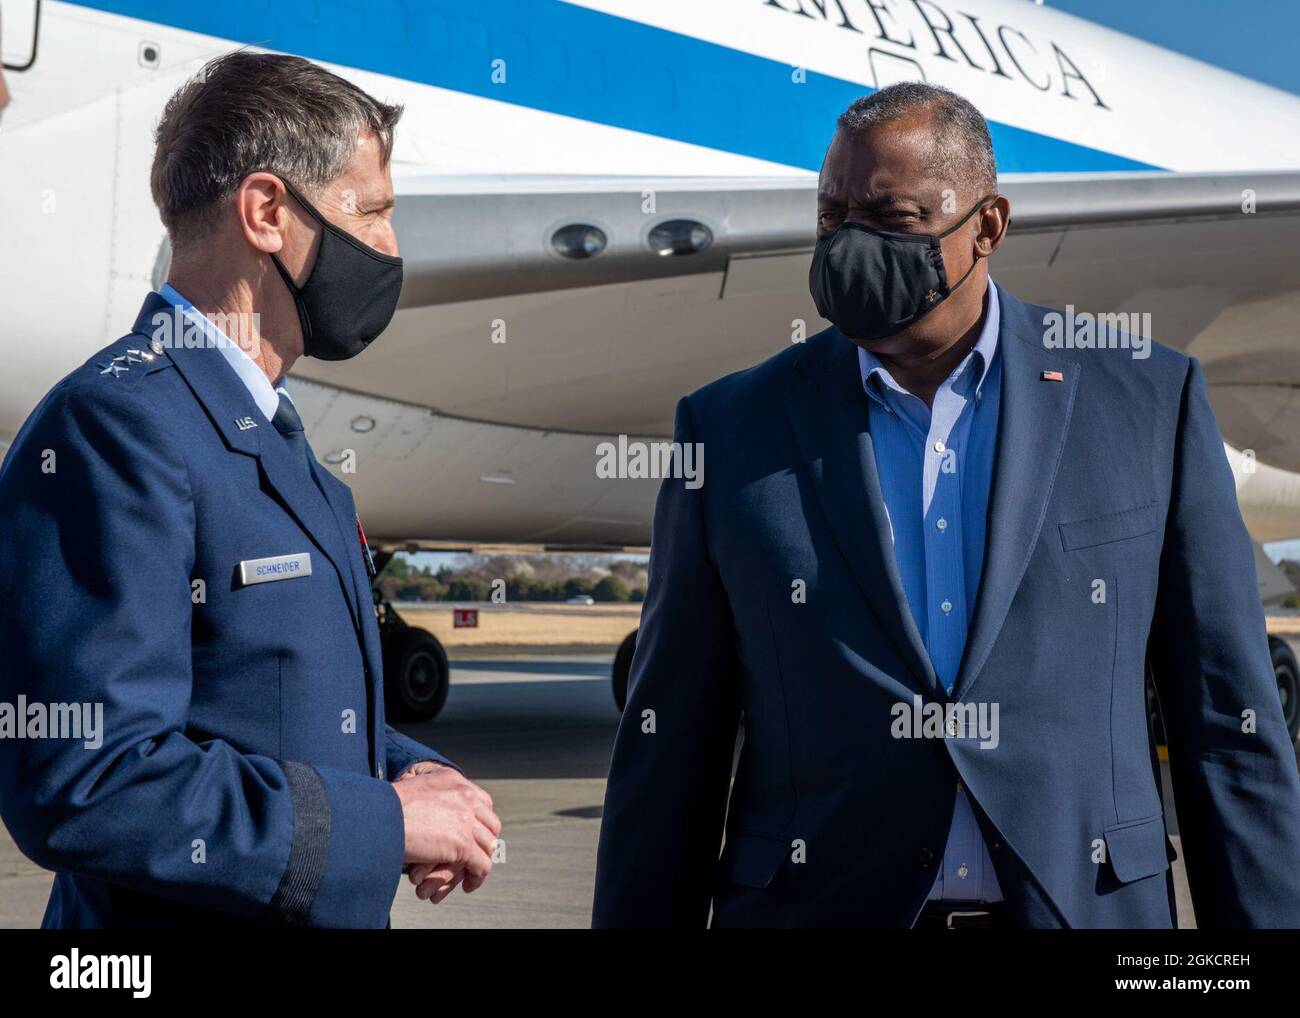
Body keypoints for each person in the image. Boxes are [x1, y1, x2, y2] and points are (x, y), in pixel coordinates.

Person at [592, 82, 1300, 929]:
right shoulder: (729, 428)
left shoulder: (1148, 399)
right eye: (831, 219)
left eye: (891, 220)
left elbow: (1227, 726)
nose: (851, 246)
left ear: (989, 226)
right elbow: (671, 748)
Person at [0, 51, 500, 928]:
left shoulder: (264, 432)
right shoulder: (116, 429)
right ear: (268, 212)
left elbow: (266, 710)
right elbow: (86, 779)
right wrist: (382, 824)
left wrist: (409, 772)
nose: (389, 249)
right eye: (372, 212)